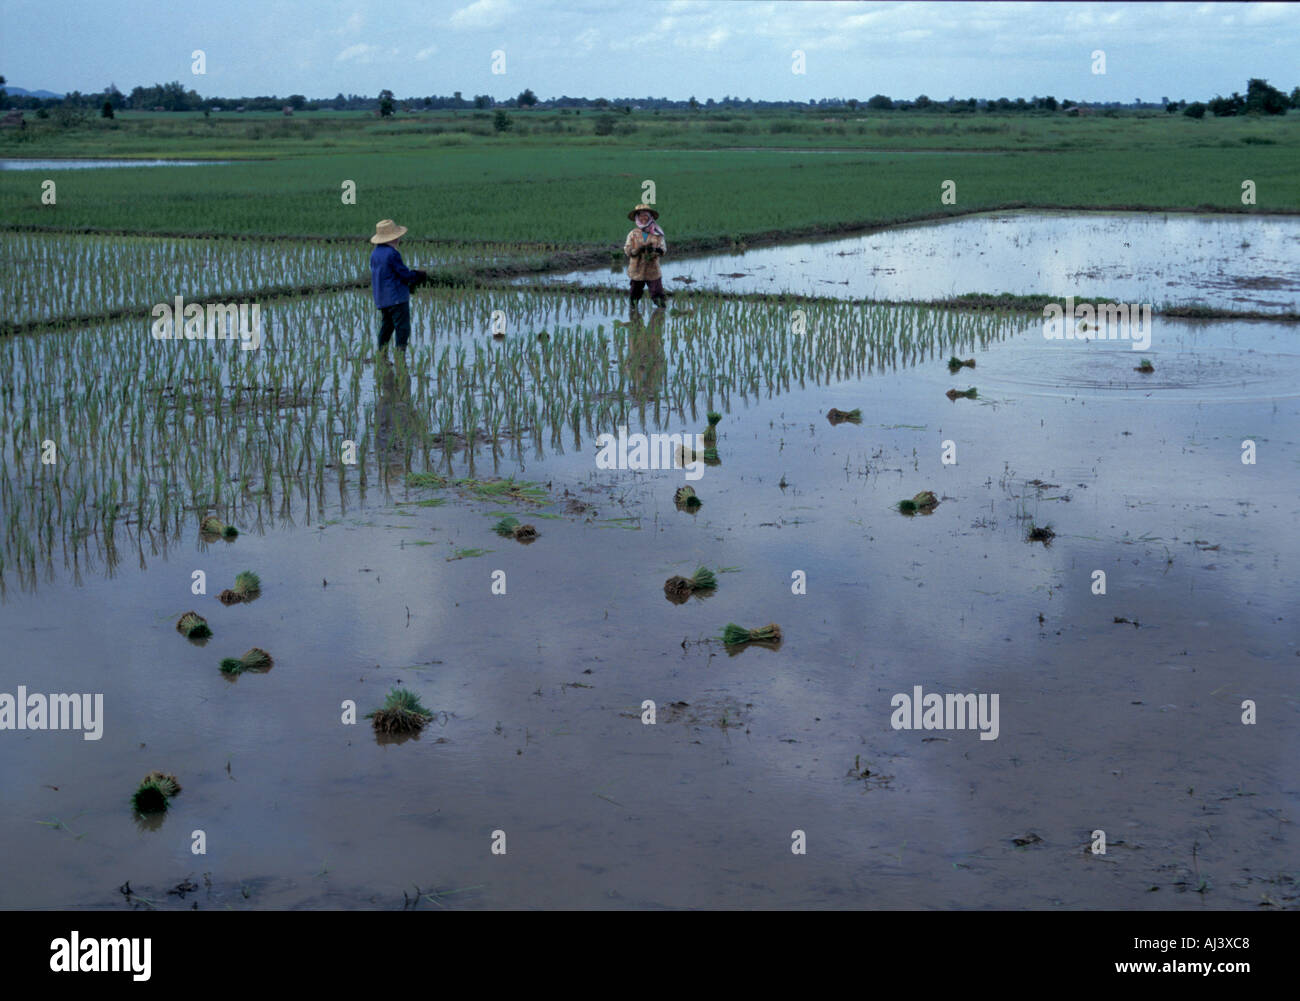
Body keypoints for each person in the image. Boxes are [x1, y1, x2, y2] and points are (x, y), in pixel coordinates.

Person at [369, 219, 427, 354]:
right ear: (393, 239)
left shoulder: (375, 254)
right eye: (397, 237)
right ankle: (400, 355)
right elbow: (403, 274)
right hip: (397, 298)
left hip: (382, 298)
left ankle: (381, 353)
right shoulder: (392, 254)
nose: (399, 239)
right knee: (402, 327)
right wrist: (418, 275)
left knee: (387, 326)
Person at [623, 203, 667, 309]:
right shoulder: (633, 234)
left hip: (653, 270)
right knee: (634, 296)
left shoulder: (657, 233)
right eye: (640, 215)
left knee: (658, 296)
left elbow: (663, 250)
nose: (643, 218)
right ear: (637, 218)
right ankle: (633, 316)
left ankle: (661, 315)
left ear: (650, 217)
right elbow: (627, 251)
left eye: (646, 215)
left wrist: (655, 250)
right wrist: (638, 249)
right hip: (636, 269)